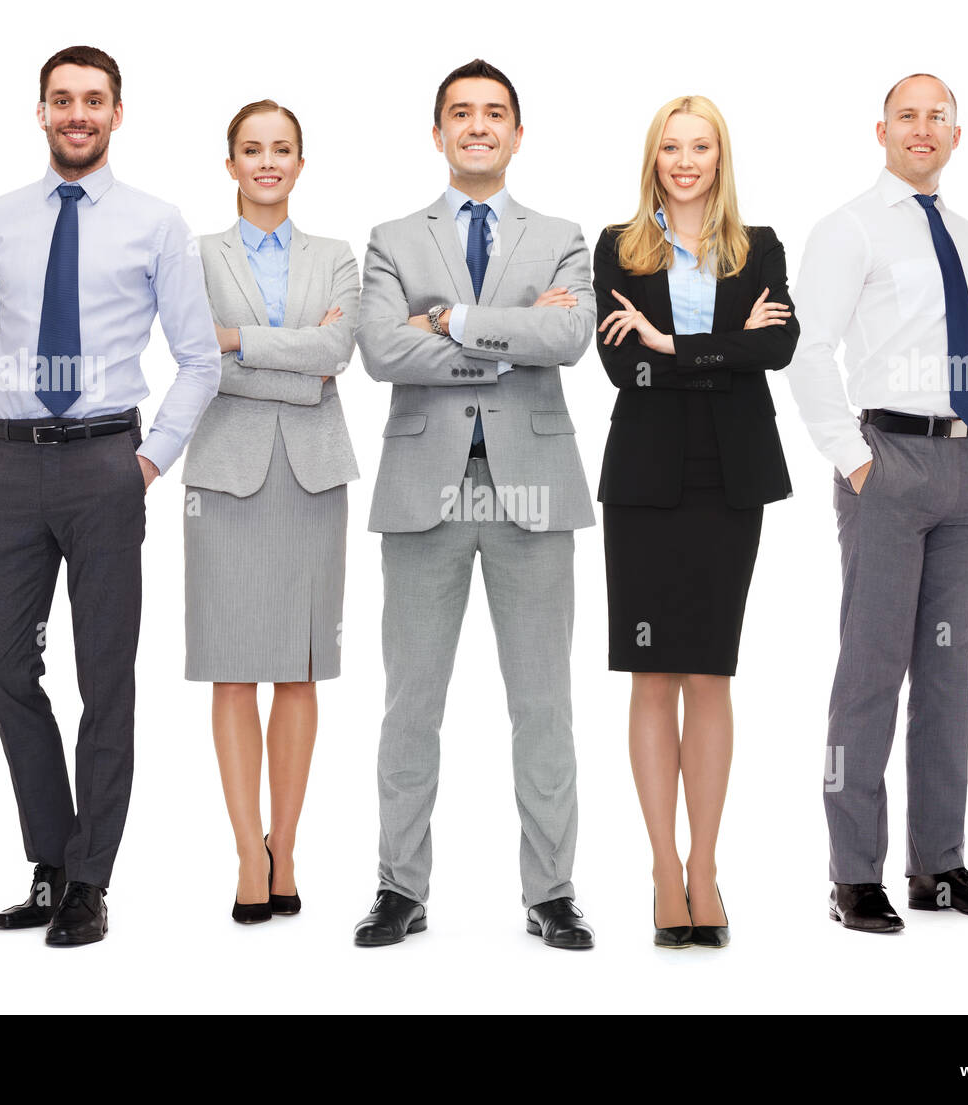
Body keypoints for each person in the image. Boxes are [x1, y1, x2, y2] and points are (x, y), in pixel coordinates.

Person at [0, 45, 221, 946]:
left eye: (93, 100)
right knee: (5, 667)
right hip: (12, 468)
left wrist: (146, 463)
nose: (77, 114)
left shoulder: (156, 222)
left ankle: (89, 878)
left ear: (116, 113)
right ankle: (50, 858)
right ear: (41, 112)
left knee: (106, 678)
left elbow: (198, 357)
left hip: (106, 464)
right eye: (62, 100)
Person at [351, 58, 597, 949]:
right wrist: (507, 337)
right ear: (439, 132)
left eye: (495, 114)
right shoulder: (390, 235)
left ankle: (553, 890)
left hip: (535, 489)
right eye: (463, 114)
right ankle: (398, 888)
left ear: (518, 133)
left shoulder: (564, 233)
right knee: (411, 703)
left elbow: (568, 336)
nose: (479, 126)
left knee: (544, 704)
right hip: (425, 493)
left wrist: (448, 321)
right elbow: (379, 350)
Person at [785, 73, 968, 934]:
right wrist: (854, 462)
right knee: (871, 671)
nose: (923, 130)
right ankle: (855, 874)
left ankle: (940, 867)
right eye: (909, 116)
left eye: (939, 118)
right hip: (886, 463)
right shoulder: (849, 229)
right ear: (881, 129)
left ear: (958, 135)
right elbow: (806, 348)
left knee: (950, 671)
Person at [594, 96, 797, 949]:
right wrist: (720, 346)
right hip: (643, 480)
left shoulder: (761, 248)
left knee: (710, 672)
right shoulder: (617, 247)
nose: (685, 160)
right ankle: (661, 869)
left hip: (729, 478)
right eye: (671, 147)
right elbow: (616, 362)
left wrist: (671, 344)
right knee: (652, 676)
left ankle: (705, 867)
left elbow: (778, 351)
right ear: (654, 158)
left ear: (721, 158)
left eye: (700, 146)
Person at [181, 100, 359, 924]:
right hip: (224, 475)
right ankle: (243, 850)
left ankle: (285, 848)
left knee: (298, 665)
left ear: (299, 162)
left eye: (280, 149)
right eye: (251, 149)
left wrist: (240, 339)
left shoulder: (337, 257)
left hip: (313, 475)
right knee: (231, 664)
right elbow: (197, 360)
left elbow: (339, 354)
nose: (266, 162)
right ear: (230, 165)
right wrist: (296, 361)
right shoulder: (195, 257)